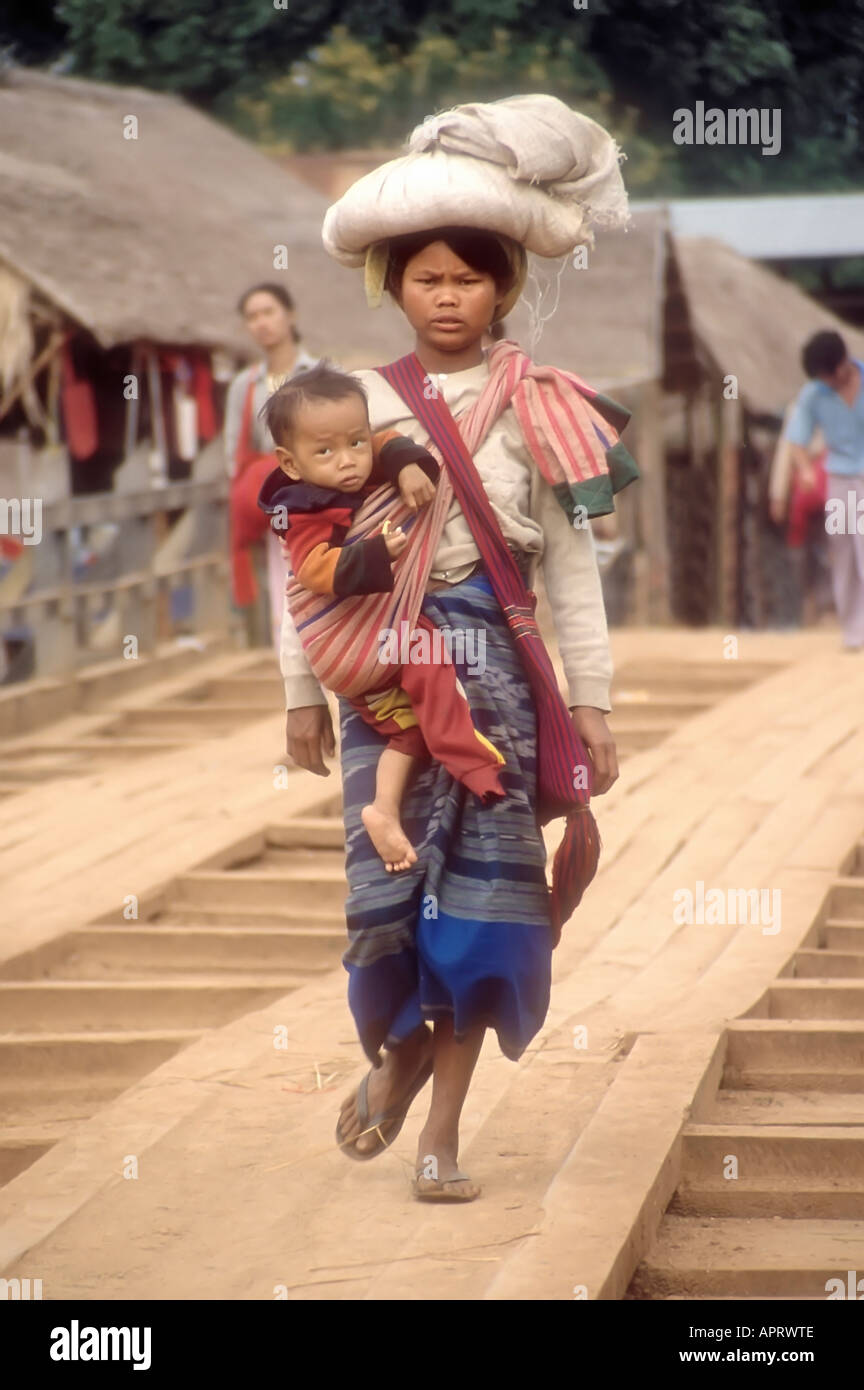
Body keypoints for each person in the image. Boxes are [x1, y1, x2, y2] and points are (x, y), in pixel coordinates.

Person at [280, 96, 636, 1201]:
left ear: (504, 288)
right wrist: (298, 693)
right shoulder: (352, 402)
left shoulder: (546, 406)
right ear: (393, 281)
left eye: (469, 278)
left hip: (498, 679)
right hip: (380, 672)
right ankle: (391, 1051)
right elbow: (295, 549)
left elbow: (569, 565)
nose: (448, 296)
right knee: (386, 896)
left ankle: (439, 1132)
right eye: (426, 277)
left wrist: (595, 702)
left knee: (487, 904)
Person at [257, 362, 506, 872]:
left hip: (368, 669)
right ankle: (466, 752)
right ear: (290, 463)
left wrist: (407, 465)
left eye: (356, 443)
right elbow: (310, 572)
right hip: (349, 646)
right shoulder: (303, 507)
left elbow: (389, 440)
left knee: (406, 732)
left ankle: (382, 808)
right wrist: (374, 554)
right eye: (324, 451)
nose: (348, 462)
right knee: (427, 654)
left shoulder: (360, 461)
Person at [223, 284, 318, 649]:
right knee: (284, 588)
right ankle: (294, 675)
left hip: (320, 498)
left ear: (290, 315)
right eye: (252, 316)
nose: (262, 323)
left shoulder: (319, 373)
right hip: (273, 502)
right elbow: (234, 453)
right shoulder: (244, 386)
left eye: (269, 312)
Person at [782, 331, 864, 650]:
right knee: (843, 555)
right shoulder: (814, 394)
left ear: (843, 365)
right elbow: (796, 439)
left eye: (829, 375)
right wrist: (804, 469)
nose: (827, 382)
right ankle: (854, 630)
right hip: (840, 480)